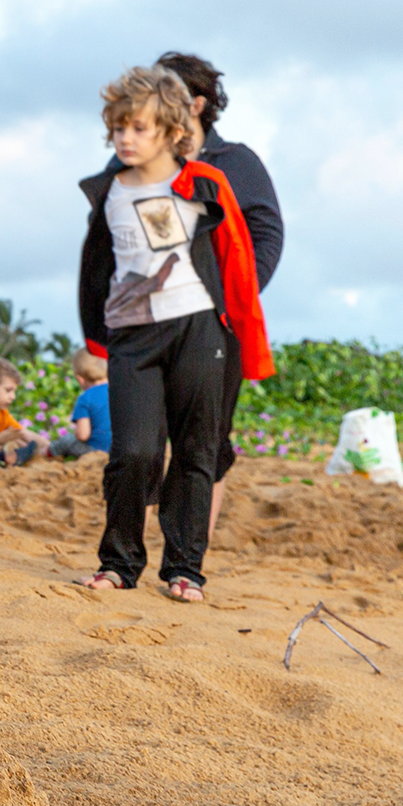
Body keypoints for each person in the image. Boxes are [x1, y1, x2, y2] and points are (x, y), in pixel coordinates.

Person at [77, 66, 274, 603]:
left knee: (196, 451)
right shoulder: (108, 191)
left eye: (139, 128)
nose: (125, 138)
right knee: (134, 452)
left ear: (171, 130)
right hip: (131, 336)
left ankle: (184, 568)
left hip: (199, 328)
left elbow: (238, 256)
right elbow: (95, 268)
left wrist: (239, 331)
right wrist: (97, 332)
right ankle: (119, 561)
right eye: (119, 128)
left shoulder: (206, 185)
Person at [153, 52, 284, 538]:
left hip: (216, 325)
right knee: (144, 434)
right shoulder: (136, 154)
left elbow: (267, 233)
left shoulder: (237, 163)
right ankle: (138, 544)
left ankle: (189, 547)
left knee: (206, 438)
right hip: (149, 319)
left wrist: (235, 296)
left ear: (198, 103)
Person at [48, 349, 111, 460]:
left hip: (96, 452)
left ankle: (45, 454)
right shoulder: (121, 391)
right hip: (122, 450)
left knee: (67, 440)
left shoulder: (85, 397)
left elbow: (82, 435)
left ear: (80, 379)